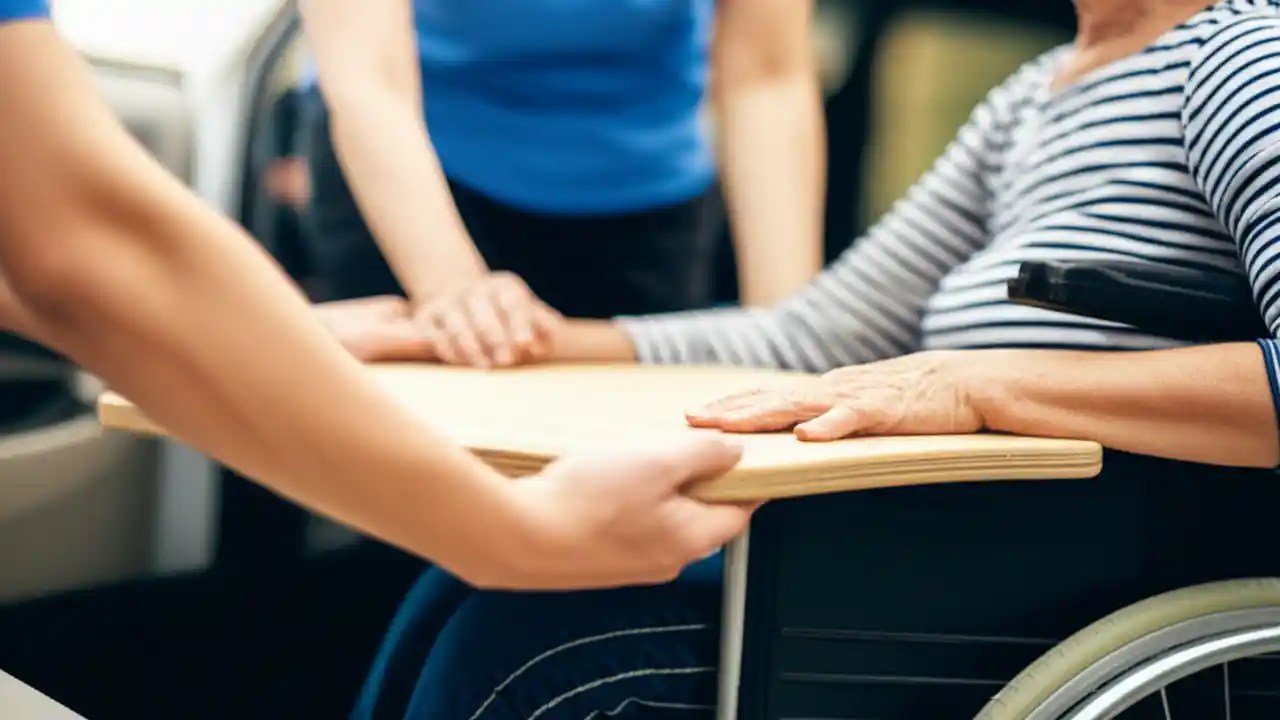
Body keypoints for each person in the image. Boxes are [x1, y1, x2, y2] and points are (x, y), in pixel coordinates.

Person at [325, 0, 1280, 716]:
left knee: (532, 637)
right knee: (482, 567)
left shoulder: (1240, 56)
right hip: (902, 555)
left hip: (1049, 582)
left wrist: (986, 383)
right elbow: (810, 336)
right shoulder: (1031, 100)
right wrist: (507, 341)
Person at [0, 1, 756, 592]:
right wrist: (516, 537)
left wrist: (287, 333)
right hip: (438, 177)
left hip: (647, 207)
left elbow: (51, 253)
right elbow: (77, 245)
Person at [299, 0, 825, 370]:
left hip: (643, 191)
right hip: (418, 170)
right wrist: (453, 290)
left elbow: (766, 79)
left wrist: (787, 336)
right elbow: (371, 81)